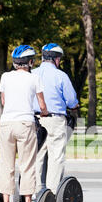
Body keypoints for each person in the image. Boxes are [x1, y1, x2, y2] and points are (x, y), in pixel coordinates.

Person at [0, 45, 48, 202]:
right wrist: (44, 112)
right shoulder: (34, 78)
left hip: (6, 124)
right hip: (25, 124)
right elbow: (42, 105)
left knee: (6, 165)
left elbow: (4, 101)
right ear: (30, 62)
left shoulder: (5, 77)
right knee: (27, 165)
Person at [32, 43, 79, 194]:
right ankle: (50, 196)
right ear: (56, 59)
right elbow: (71, 101)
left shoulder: (31, 74)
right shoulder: (61, 76)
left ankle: (34, 193)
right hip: (55, 120)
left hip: (34, 120)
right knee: (56, 157)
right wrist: (74, 106)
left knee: (36, 156)